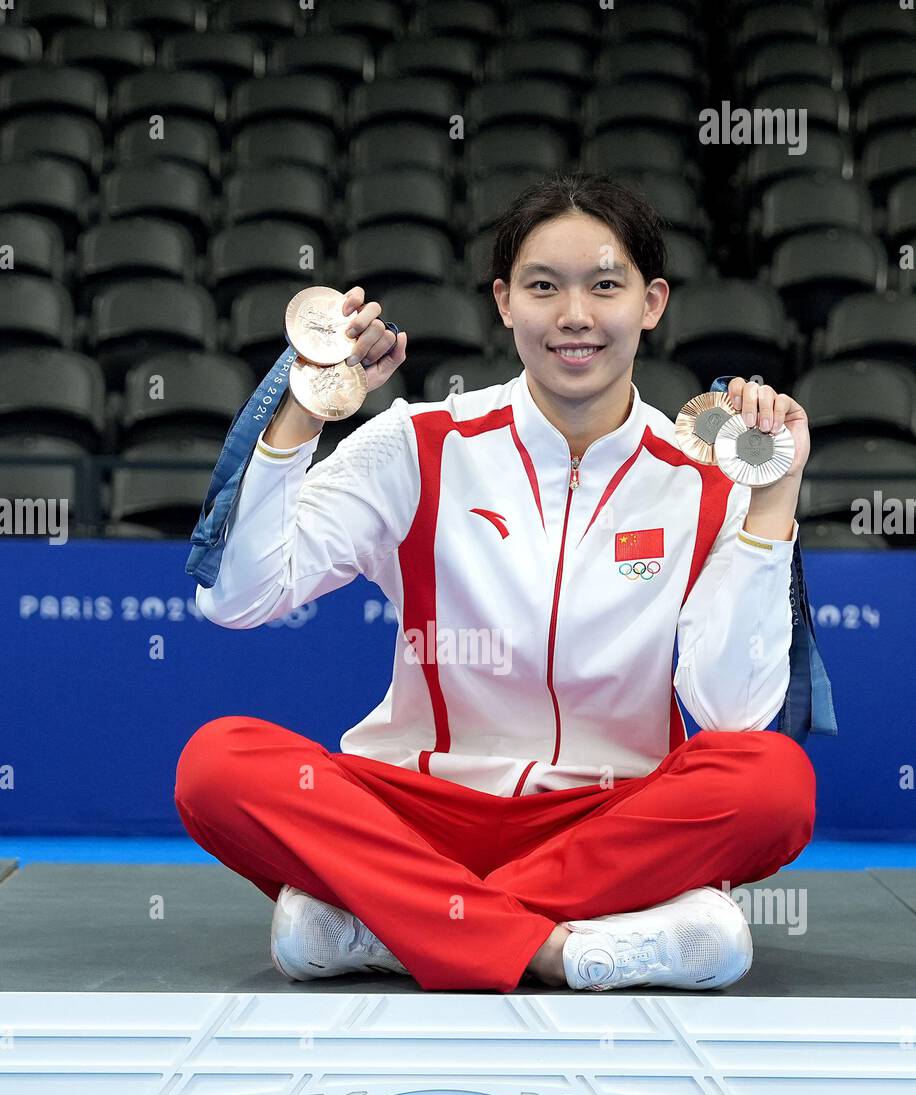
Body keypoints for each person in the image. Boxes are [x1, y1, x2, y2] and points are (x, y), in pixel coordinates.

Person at [174, 171, 817, 994]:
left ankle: (393, 928)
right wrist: (307, 407)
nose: (575, 316)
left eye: (606, 286)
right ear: (505, 301)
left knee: (773, 783)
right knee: (218, 764)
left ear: (651, 303)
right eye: (544, 287)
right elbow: (235, 598)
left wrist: (774, 497)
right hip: (416, 811)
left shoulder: (706, 481)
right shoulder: (420, 443)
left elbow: (735, 714)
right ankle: (556, 947)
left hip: (606, 819)